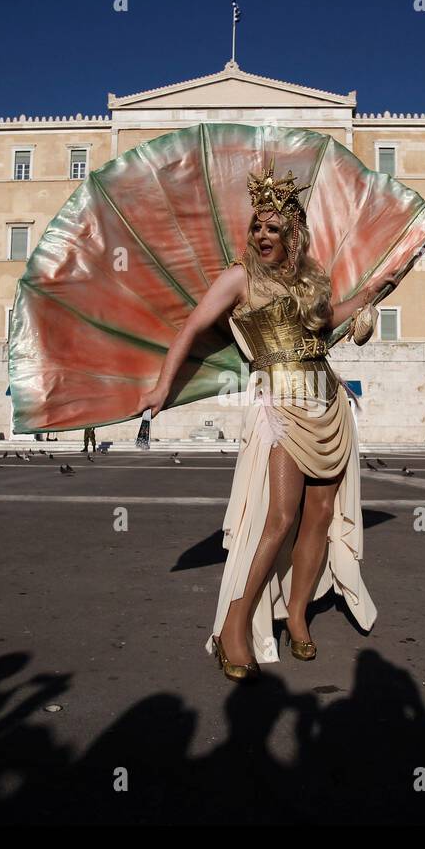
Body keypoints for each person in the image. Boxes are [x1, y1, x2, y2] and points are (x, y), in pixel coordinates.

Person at [138, 163, 388, 682]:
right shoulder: (239, 278)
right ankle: (235, 625)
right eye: (257, 226)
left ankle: (296, 615)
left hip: (327, 399)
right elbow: (192, 327)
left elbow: (324, 324)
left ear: (293, 233)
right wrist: (164, 386)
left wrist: (366, 297)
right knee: (278, 520)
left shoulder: (310, 280)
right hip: (281, 407)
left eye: (274, 228)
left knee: (318, 517)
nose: (263, 235)